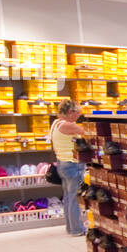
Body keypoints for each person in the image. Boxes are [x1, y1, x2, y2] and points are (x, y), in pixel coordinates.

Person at [49, 99, 88, 236]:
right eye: (78, 113)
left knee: (68, 197)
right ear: (71, 112)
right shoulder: (67, 125)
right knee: (74, 198)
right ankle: (76, 229)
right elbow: (88, 132)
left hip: (62, 163)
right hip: (72, 164)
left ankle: (70, 228)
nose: (79, 116)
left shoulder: (56, 123)